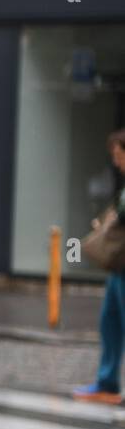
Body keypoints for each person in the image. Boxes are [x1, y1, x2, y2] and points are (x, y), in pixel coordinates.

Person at [73, 129, 125, 404]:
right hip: (119, 268)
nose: (116, 162)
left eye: (118, 155)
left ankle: (108, 382)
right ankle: (107, 383)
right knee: (110, 323)